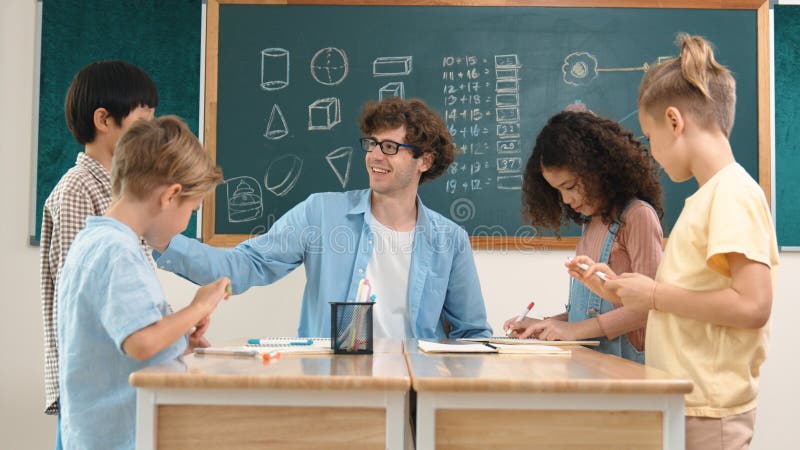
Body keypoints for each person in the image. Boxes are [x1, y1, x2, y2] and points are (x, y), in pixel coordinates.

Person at [580, 34, 779, 449]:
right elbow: (694, 294)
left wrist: (652, 295)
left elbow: (753, 306)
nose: (652, 153)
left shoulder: (731, 194)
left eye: (650, 138)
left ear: (675, 121)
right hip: (690, 403)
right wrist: (622, 291)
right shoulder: (709, 196)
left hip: (709, 411)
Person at [154, 97, 491, 339]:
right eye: (372, 144)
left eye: (390, 148)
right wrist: (163, 242)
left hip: (416, 392)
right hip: (337, 386)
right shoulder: (321, 213)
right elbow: (246, 266)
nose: (375, 155)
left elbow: (472, 333)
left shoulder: (449, 239)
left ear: (425, 161)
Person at [57, 116, 229, 450]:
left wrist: (179, 340)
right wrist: (199, 307)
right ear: (171, 196)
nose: (184, 224)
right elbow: (140, 343)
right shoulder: (117, 251)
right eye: (192, 210)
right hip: (120, 439)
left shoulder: (97, 241)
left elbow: (124, 338)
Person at [39, 60, 157, 449]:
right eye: (142, 121)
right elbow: (84, 296)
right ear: (104, 119)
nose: (151, 133)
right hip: (92, 389)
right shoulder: (77, 191)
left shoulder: (120, 191)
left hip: (120, 382)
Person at [504, 110, 664, 364]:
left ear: (599, 170)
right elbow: (594, 310)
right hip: (592, 368)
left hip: (627, 371)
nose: (566, 200)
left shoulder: (638, 216)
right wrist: (548, 325)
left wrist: (574, 331)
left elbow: (650, 307)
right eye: (558, 192)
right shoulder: (591, 224)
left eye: (569, 187)